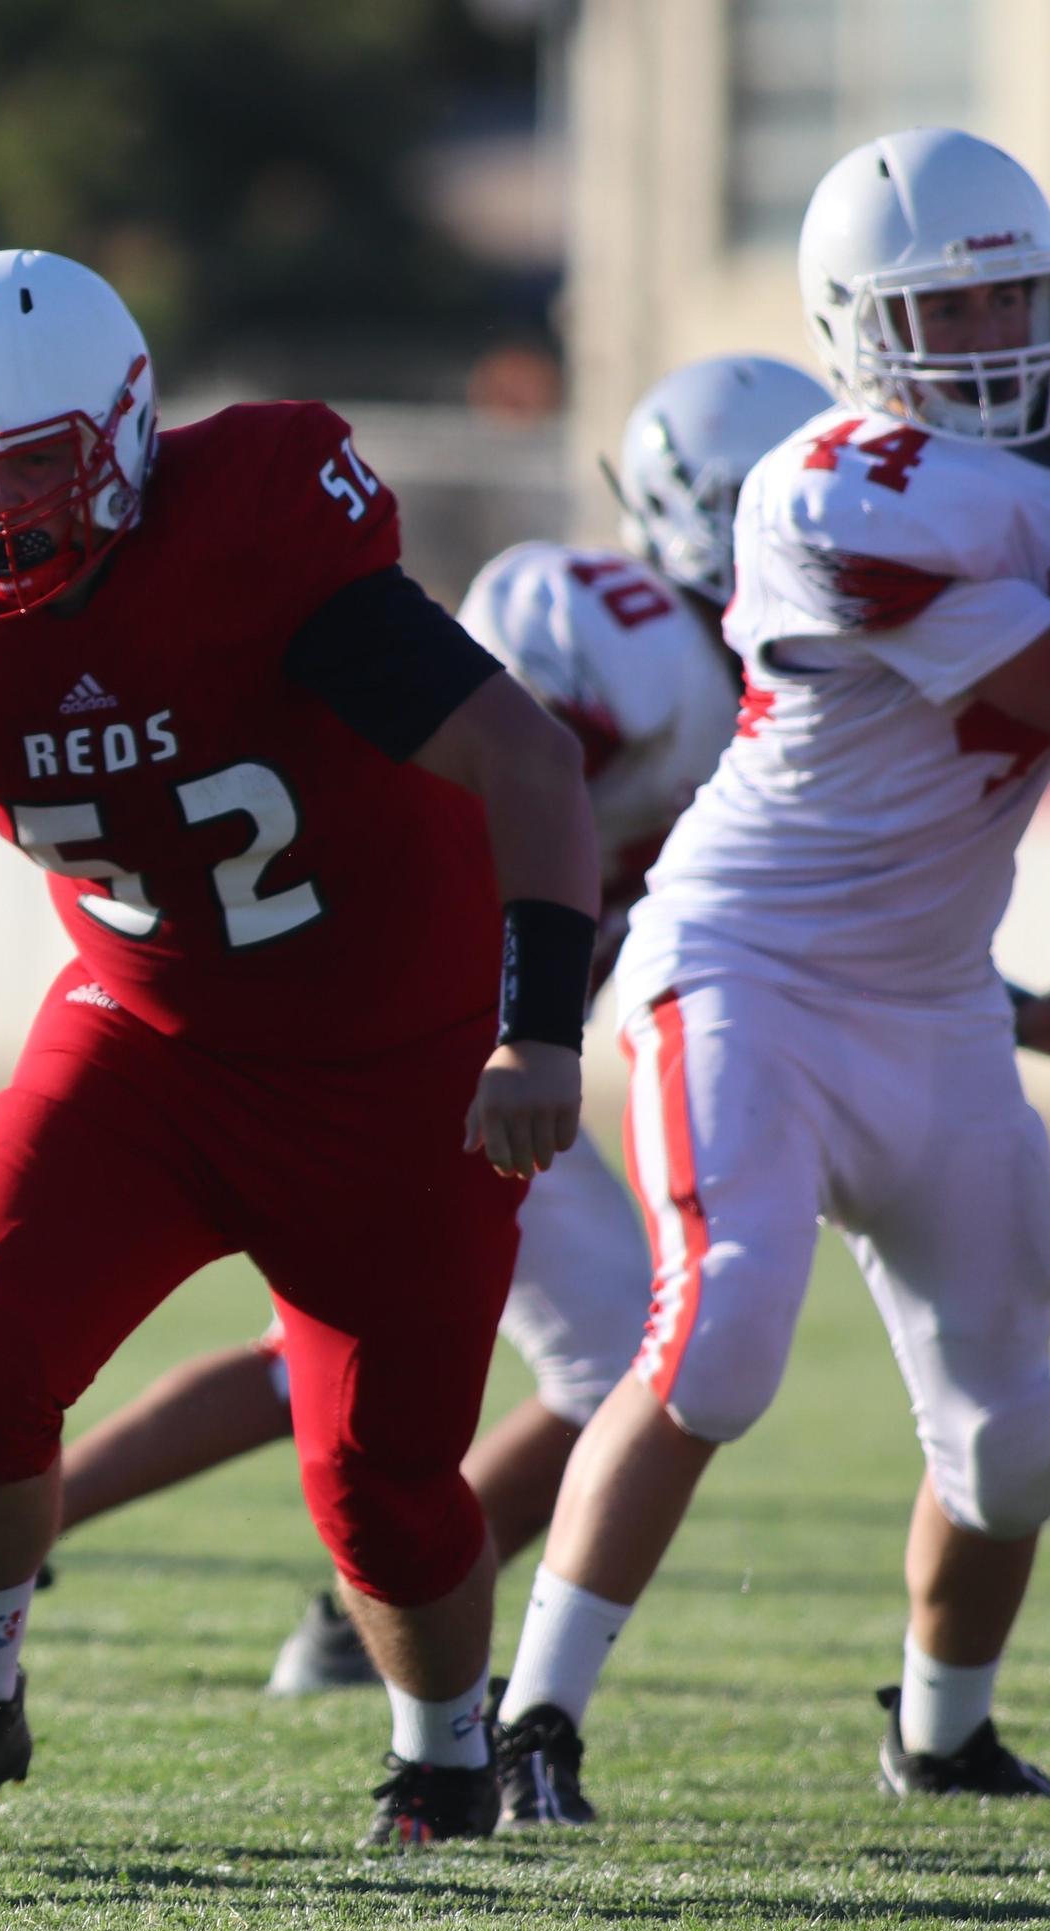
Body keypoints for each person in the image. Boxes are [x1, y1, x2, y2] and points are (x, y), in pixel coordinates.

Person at [0, 354, 838, 1699]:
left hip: (462, 1036)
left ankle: (172, 1562)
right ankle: (351, 1621)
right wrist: (530, 1024)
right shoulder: (622, 637)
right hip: (431, 1033)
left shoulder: (786, 679)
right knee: (600, 1348)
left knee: (336, 1364)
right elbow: (496, 781)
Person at [0, 248, 599, 1851]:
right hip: (149, 1043)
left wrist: (537, 1031)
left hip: (395, 1065)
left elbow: (528, 758)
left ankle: (443, 1757)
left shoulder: (253, 533)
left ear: (124, 434)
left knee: (381, 1481)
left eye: (22, 465)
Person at [492, 125, 1050, 1829]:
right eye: (948, 318)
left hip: (934, 995)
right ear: (858, 331)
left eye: (1017, 300)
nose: (994, 346)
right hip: (745, 972)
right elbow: (1028, 699)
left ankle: (942, 1728)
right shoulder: (830, 490)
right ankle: (531, 1725)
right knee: (722, 1328)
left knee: (1017, 1419)